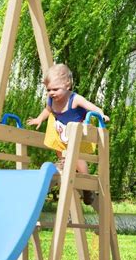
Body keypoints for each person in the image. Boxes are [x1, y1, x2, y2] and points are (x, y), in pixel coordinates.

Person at [27, 63, 110, 205]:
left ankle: (87, 184)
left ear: (67, 85)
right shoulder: (52, 99)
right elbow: (48, 110)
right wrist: (39, 119)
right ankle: (64, 163)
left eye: (55, 89)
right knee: (59, 149)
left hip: (78, 132)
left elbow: (93, 107)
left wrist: (101, 115)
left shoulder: (75, 99)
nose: (51, 93)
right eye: (48, 90)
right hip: (62, 130)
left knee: (76, 156)